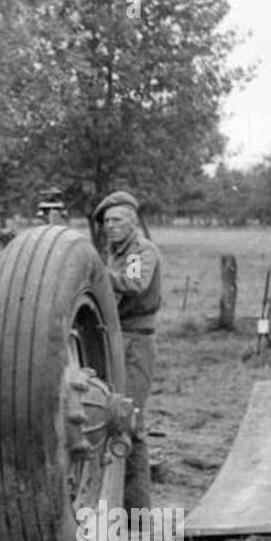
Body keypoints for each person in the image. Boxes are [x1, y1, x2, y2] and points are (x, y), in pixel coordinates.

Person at [93, 190, 162, 511]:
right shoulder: (113, 253)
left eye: (117, 220)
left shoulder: (137, 252)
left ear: (132, 222)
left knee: (131, 422)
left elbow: (134, 284)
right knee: (108, 417)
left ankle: (137, 513)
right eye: (106, 221)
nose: (110, 225)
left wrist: (95, 272)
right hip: (116, 339)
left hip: (135, 341)